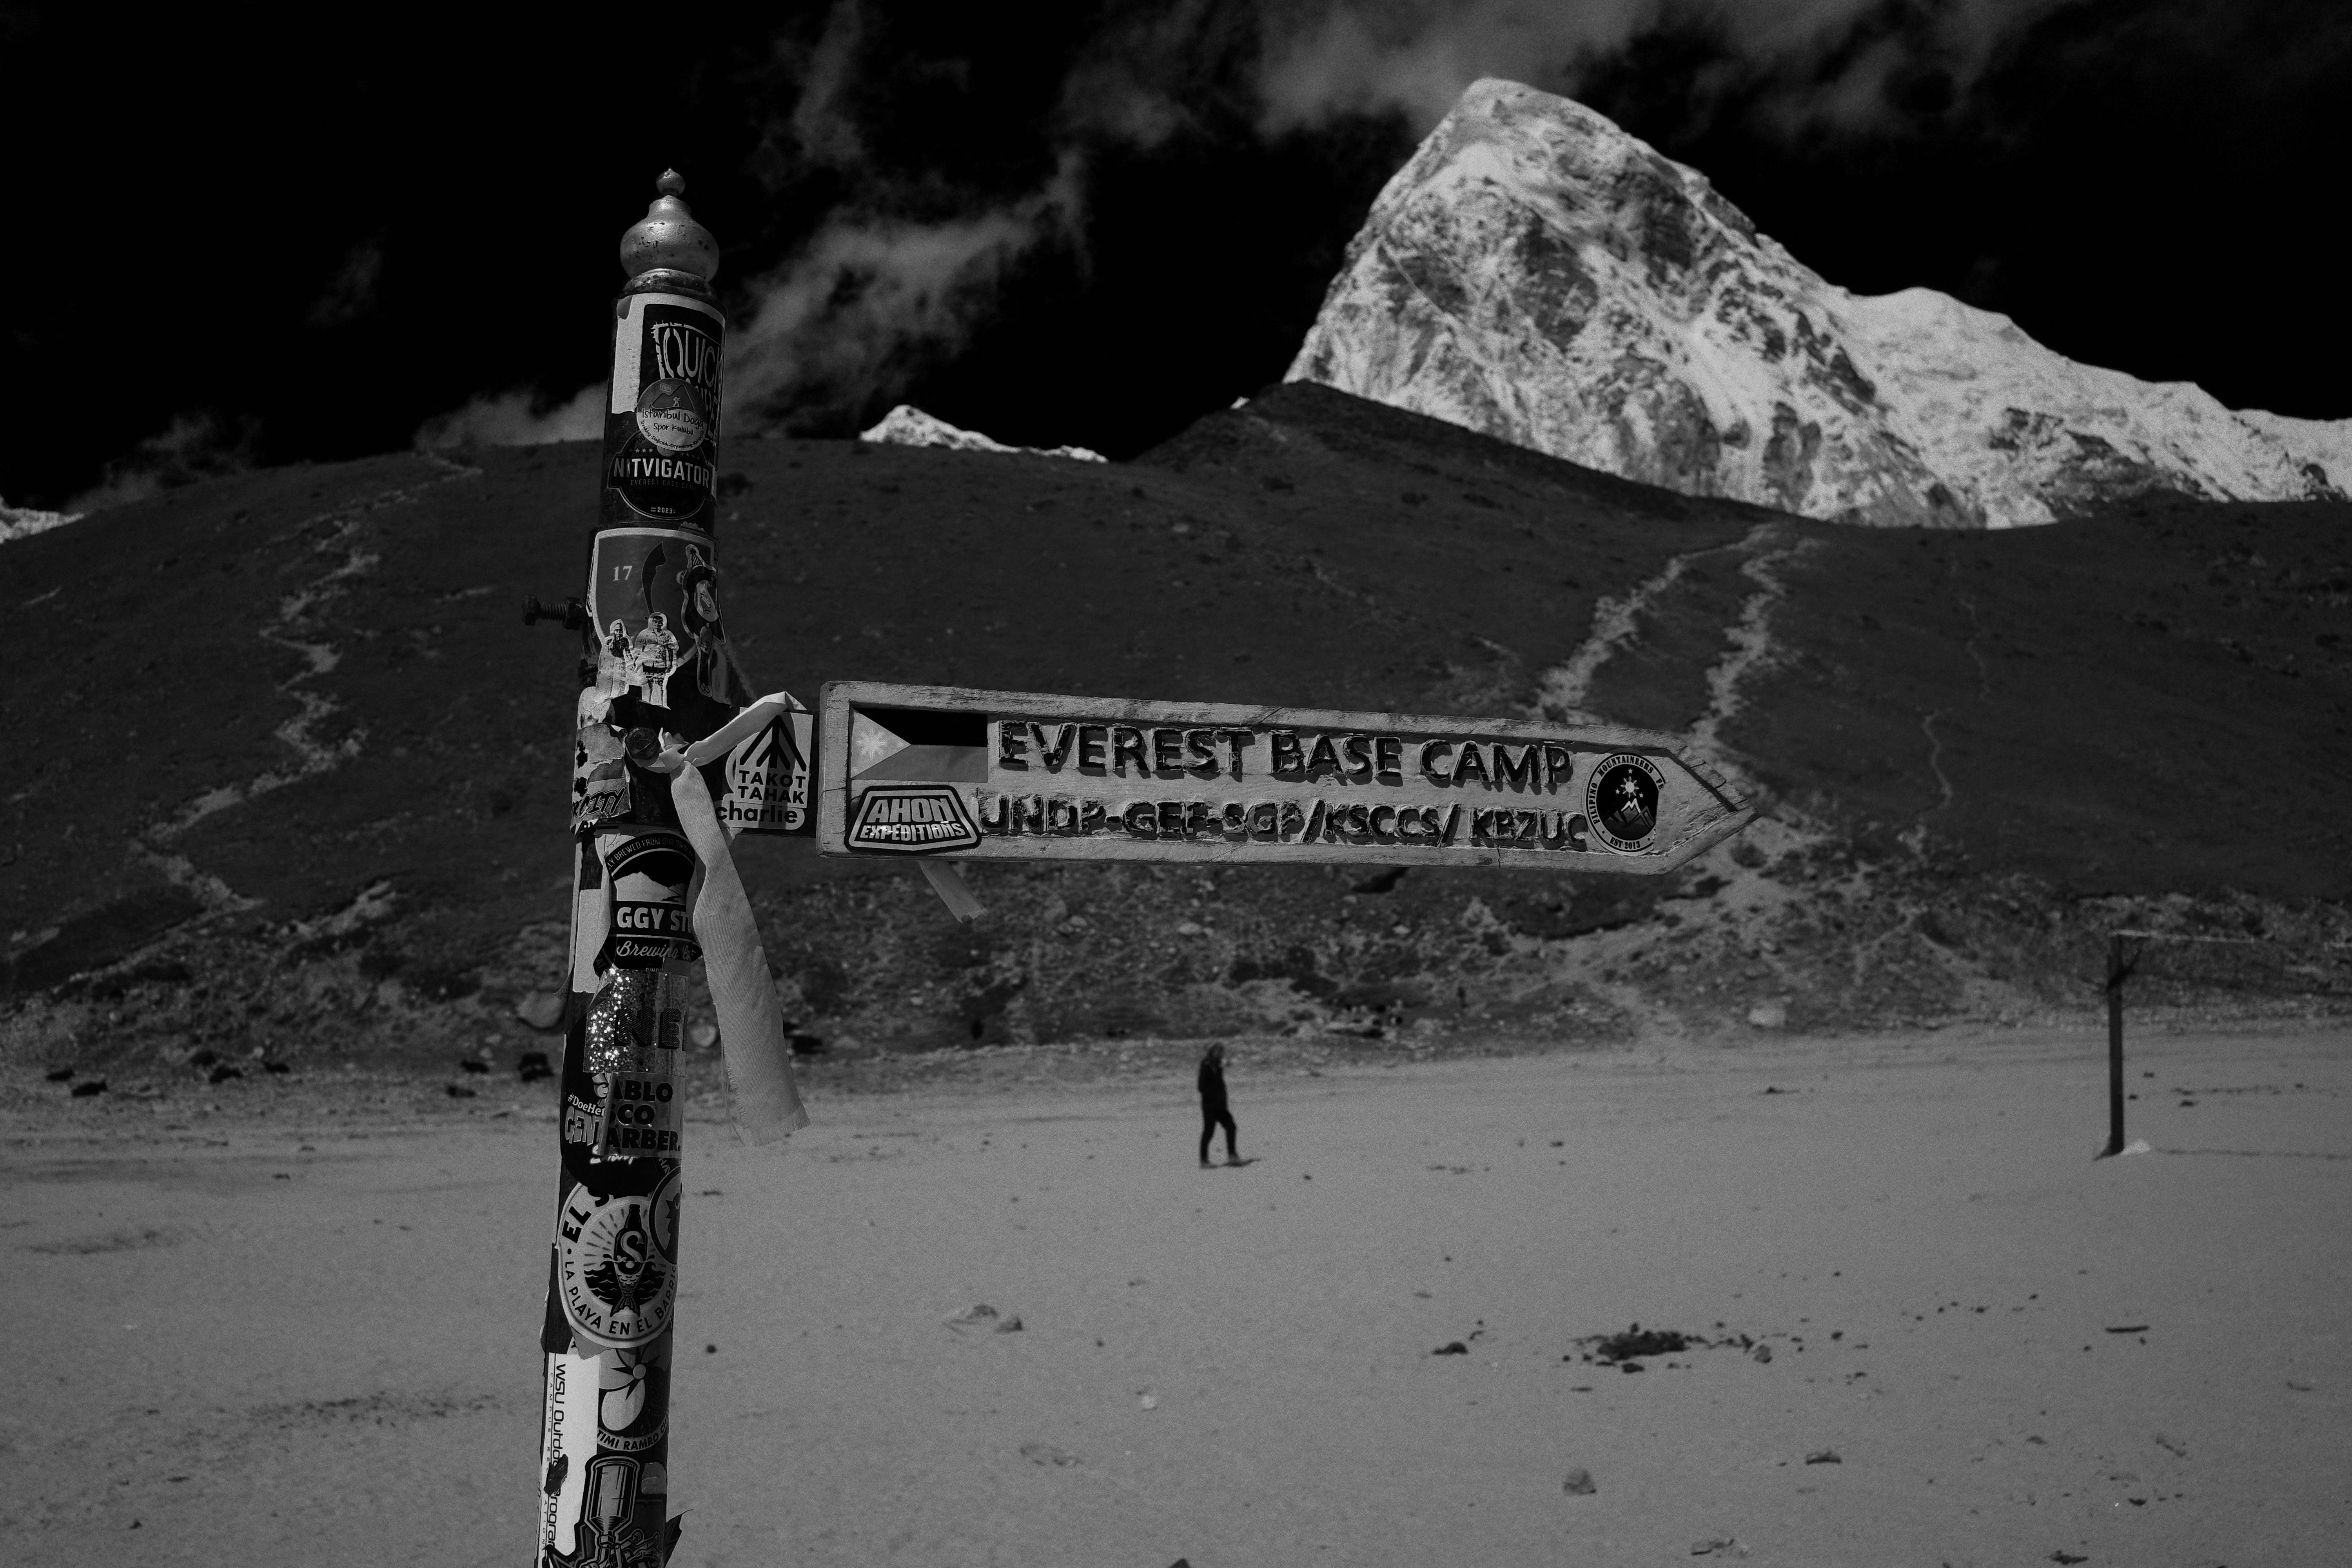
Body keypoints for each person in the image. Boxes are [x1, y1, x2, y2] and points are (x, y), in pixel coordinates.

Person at [1197, 1043, 1238, 1168]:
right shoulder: (1206, 1066)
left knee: (1231, 1127)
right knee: (1209, 1133)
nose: (1222, 1054)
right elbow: (1201, 1087)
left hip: (1220, 1106)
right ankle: (1204, 1161)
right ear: (1214, 1052)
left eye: (1223, 1052)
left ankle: (1232, 1156)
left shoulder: (1217, 1065)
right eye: (1220, 1052)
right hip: (1210, 1107)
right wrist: (1214, 1096)